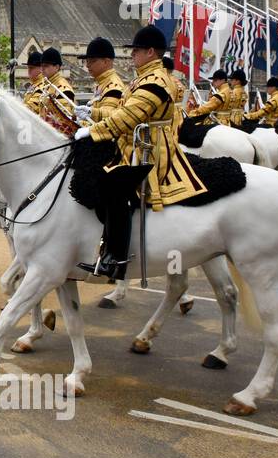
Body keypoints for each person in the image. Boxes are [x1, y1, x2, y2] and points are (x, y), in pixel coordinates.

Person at [73, 26, 207, 280]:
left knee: (114, 185)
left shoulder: (156, 80)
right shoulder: (142, 78)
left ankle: (116, 256)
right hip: (136, 144)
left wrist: (94, 132)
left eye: (136, 51)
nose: (132, 55)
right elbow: (122, 109)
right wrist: (93, 114)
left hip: (152, 148)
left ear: (150, 52)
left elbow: (129, 117)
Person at [80, 37, 126, 122]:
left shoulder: (113, 87)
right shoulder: (103, 83)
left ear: (106, 62)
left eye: (92, 61)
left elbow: (107, 120)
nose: (87, 65)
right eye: (87, 61)